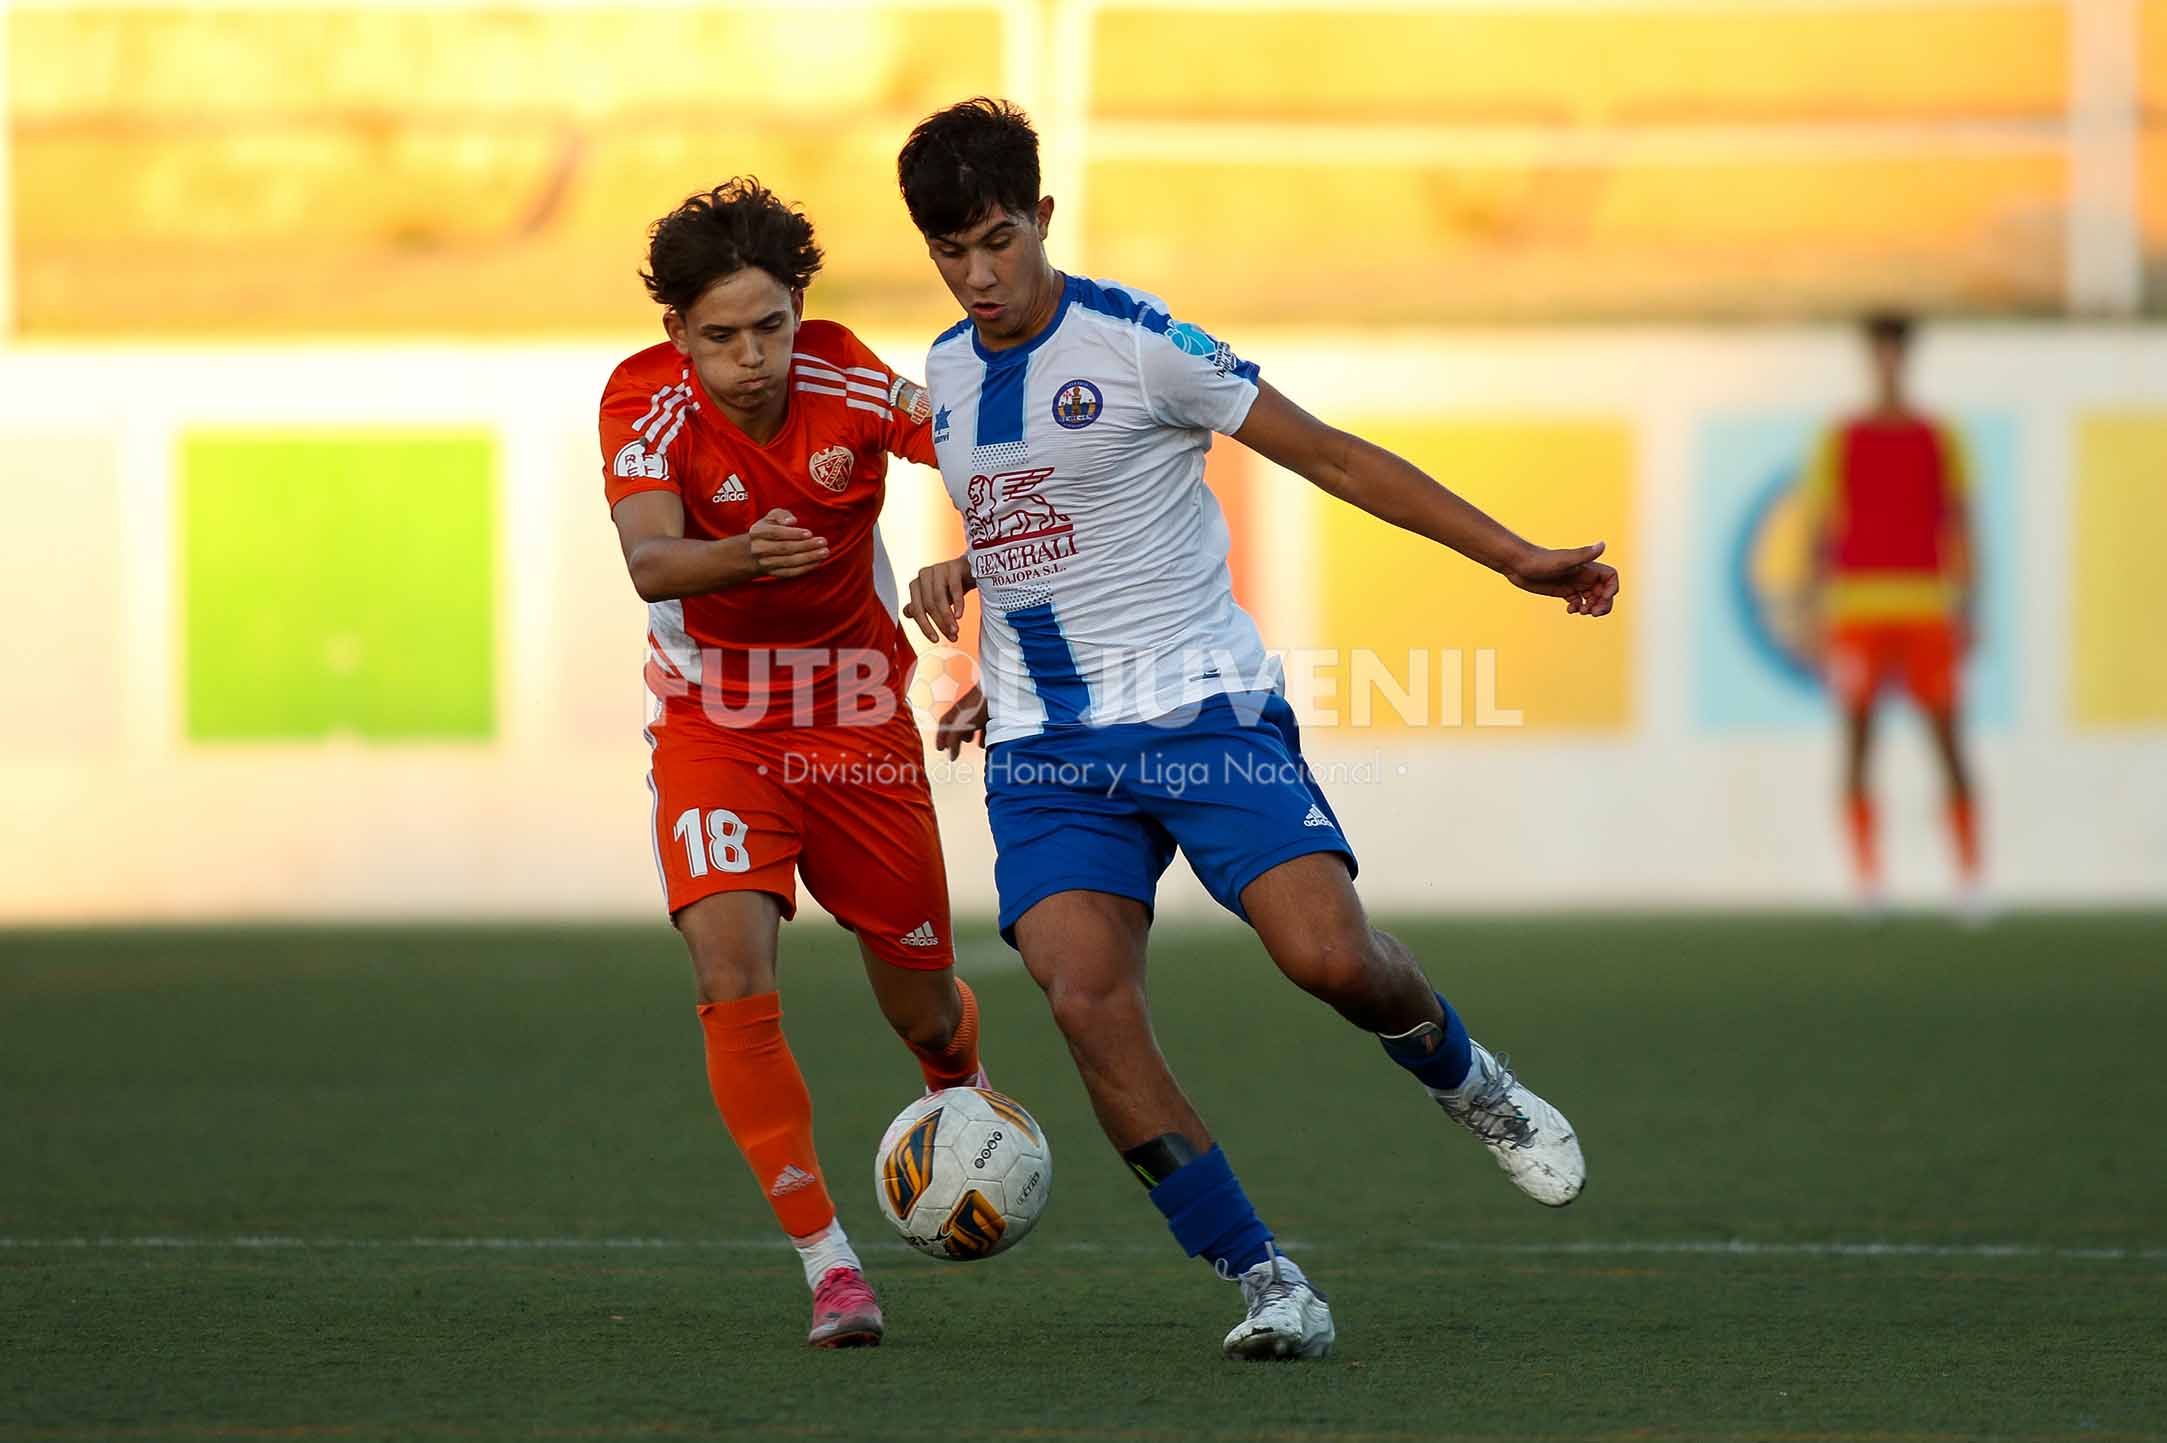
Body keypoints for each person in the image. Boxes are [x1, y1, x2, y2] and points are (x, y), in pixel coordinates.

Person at [893, 100, 1617, 1361]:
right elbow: (1035, 523)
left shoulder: (1137, 344)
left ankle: (1466, 1079)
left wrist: (1512, 558)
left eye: (997, 240)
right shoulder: (946, 376)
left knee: (1330, 958)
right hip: (1048, 757)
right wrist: (965, 598)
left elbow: (1332, 458)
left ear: (1043, 219)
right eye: (949, 252)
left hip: (1202, 714)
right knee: (1079, 997)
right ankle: (1264, 1279)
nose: (977, 274)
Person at [600, 177, 987, 1349]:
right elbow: (652, 563)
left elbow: (988, 458)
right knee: (730, 971)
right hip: (718, 727)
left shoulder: (846, 372)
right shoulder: (642, 400)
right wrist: (742, 556)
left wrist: (967, 561)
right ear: (678, 333)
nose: (752, 357)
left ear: (800, 309)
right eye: (720, 335)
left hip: (860, 719)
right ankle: (830, 1266)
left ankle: (958, 1091)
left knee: (921, 1004)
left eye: (770, 326)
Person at [1803, 313, 1981, 907]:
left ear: (1907, 357)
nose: (1888, 362)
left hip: (1926, 603)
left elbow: (1961, 522)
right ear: (1869, 358)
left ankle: (1970, 879)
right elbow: (1819, 530)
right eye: (1880, 351)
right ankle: (1868, 881)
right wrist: (1813, 609)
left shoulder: (1938, 436)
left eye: (1896, 351)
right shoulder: (1841, 436)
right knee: (1857, 739)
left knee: (1948, 738)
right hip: (1857, 605)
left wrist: (1970, 603)